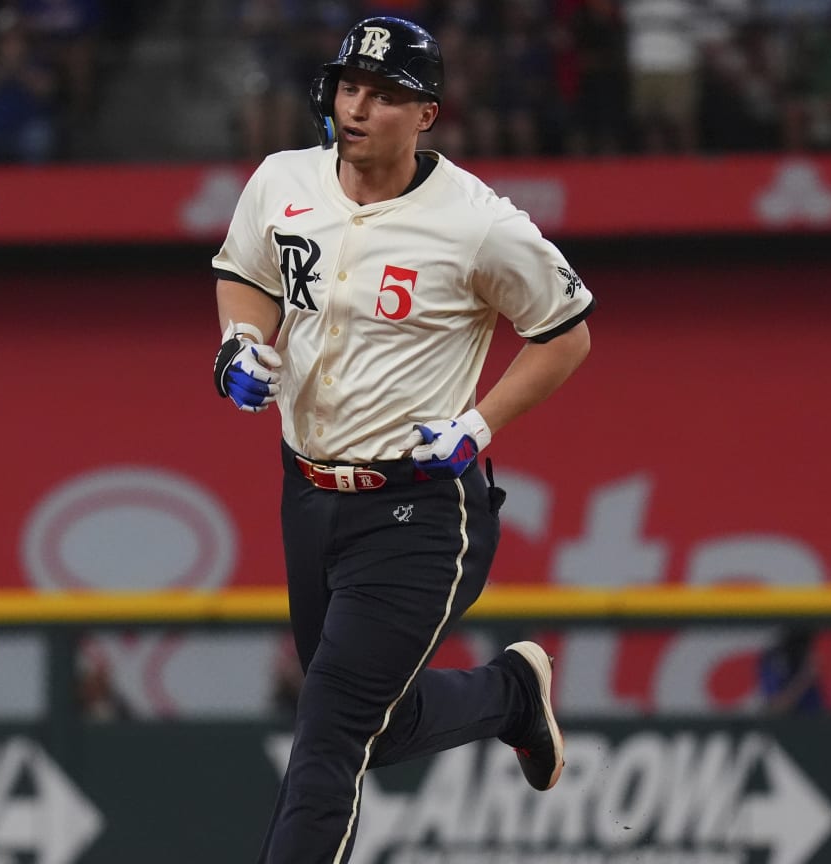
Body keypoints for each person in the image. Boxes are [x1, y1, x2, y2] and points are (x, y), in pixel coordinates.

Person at [210, 17, 595, 863]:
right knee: (367, 727)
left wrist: (480, 422)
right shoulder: (282, 180)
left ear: (426, 114)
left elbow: (566, 332)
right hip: (307, 491)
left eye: (385, 95)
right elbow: (245, 277)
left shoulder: (478, 223)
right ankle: (510, 696)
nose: (359, 107)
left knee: (331, 729)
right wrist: (239, 342)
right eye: (350, 86)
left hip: (419, 509)